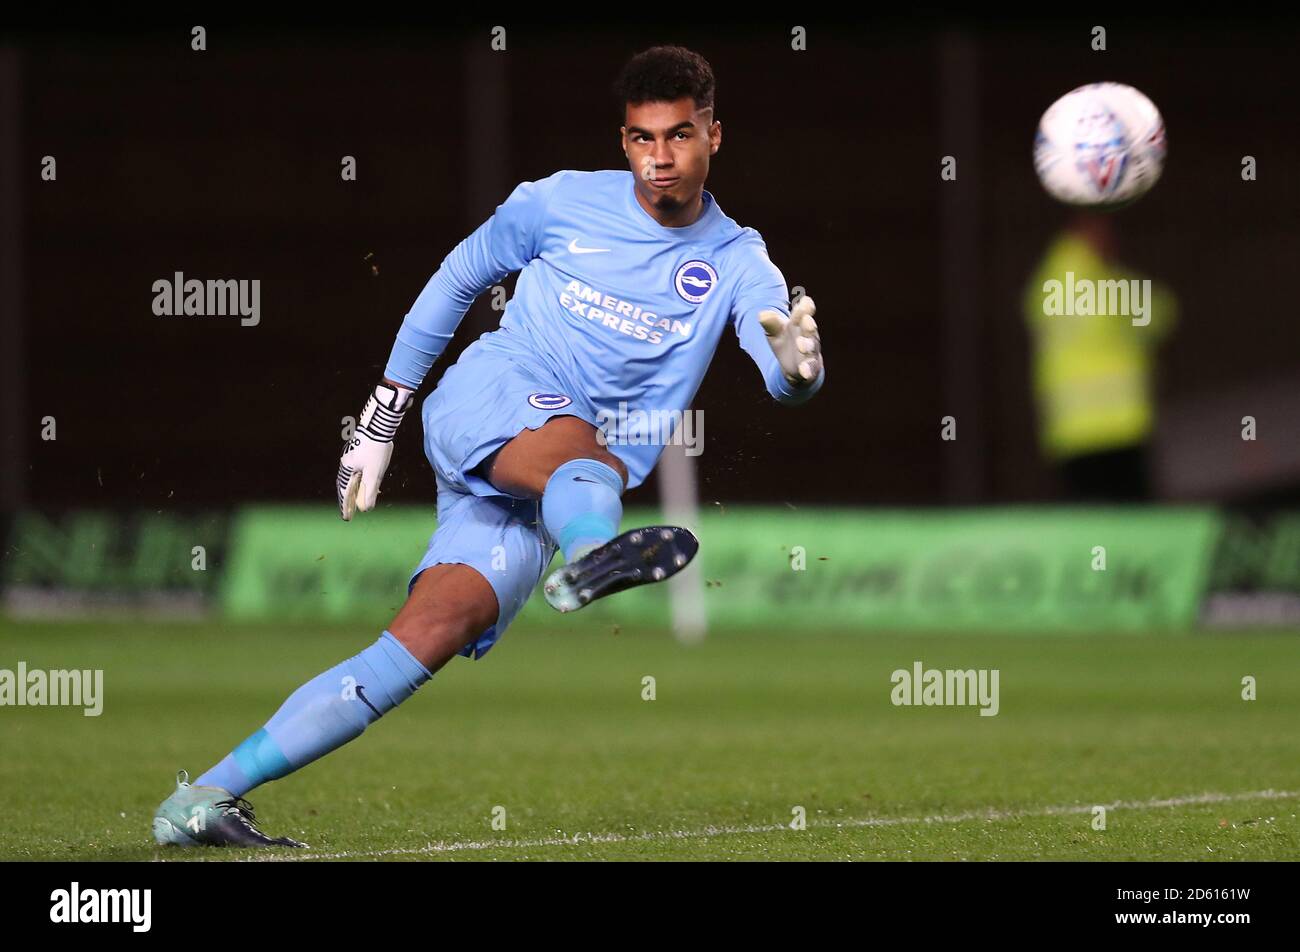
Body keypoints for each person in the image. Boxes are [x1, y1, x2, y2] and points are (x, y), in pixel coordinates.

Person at [153, 45, 825, 847]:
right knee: (588, 457)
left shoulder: (736, 258)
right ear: (623, 142)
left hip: (533, 492)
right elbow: (455, 280)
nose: (660, 159)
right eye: (644, 140)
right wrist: (380, 420)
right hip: (493, 400)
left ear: (715, 134)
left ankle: (202, 799)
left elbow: (776, 355)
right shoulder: (556, 204)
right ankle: (593, 555)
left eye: (680, 136)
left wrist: (797, 371)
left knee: (427, 636)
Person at [1024, 212, 1176, 501]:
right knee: (1128, 525)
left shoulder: (1059, 280)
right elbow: (1155, 311)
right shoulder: (1080, 281)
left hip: (1077, 431)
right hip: (1110, 428)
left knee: (1093, 524)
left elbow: (1159, 310)